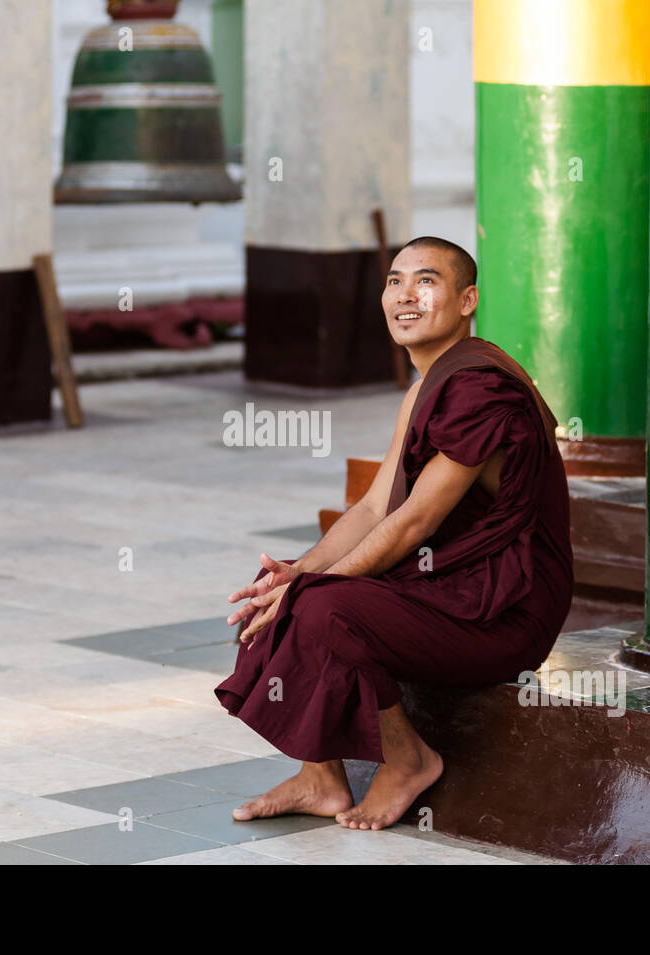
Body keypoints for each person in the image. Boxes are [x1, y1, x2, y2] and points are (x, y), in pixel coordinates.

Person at [215, 236, 574, 830]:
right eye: (394, 281)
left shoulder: (480, 389)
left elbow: (415, 520)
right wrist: (296, 573)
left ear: (467, 300)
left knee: (320, 606)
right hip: (453, 593)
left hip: (506, 613)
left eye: (426, 281)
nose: (405, 295)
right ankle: (321, 777)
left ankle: (409, 759)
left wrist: (309, 589)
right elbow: (375, 504)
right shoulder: (425, 389)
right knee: (279, 586)